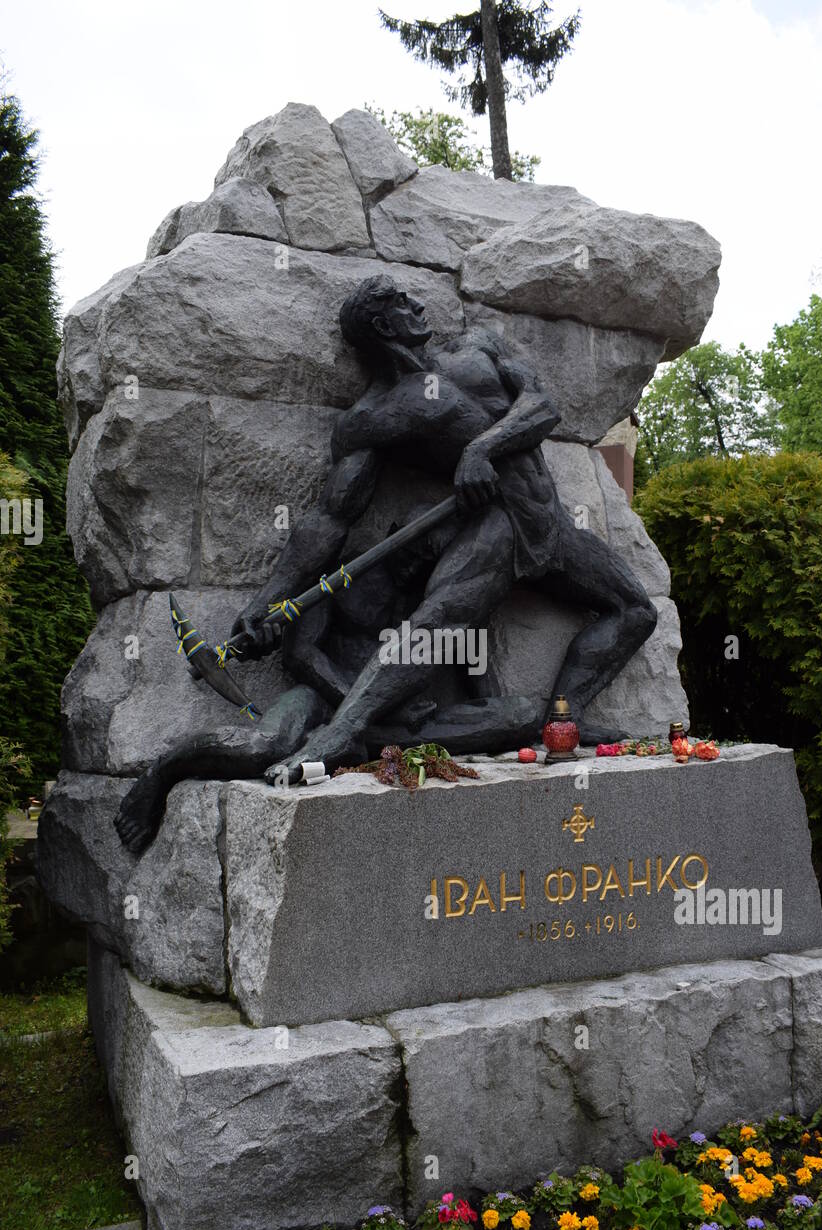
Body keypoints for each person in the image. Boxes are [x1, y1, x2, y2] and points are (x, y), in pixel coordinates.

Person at [114, 275, 655, 852]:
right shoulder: (370, 418)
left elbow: (543, 407)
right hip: (491, 523)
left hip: (544, 521)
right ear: (381, 326)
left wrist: (481, 448)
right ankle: (342, 731)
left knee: (634, 611)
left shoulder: (482, 347)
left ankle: (561, 718)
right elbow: (330, 517)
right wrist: (265, 601)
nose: (419, 304)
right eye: (401, 302)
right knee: (439, 619)